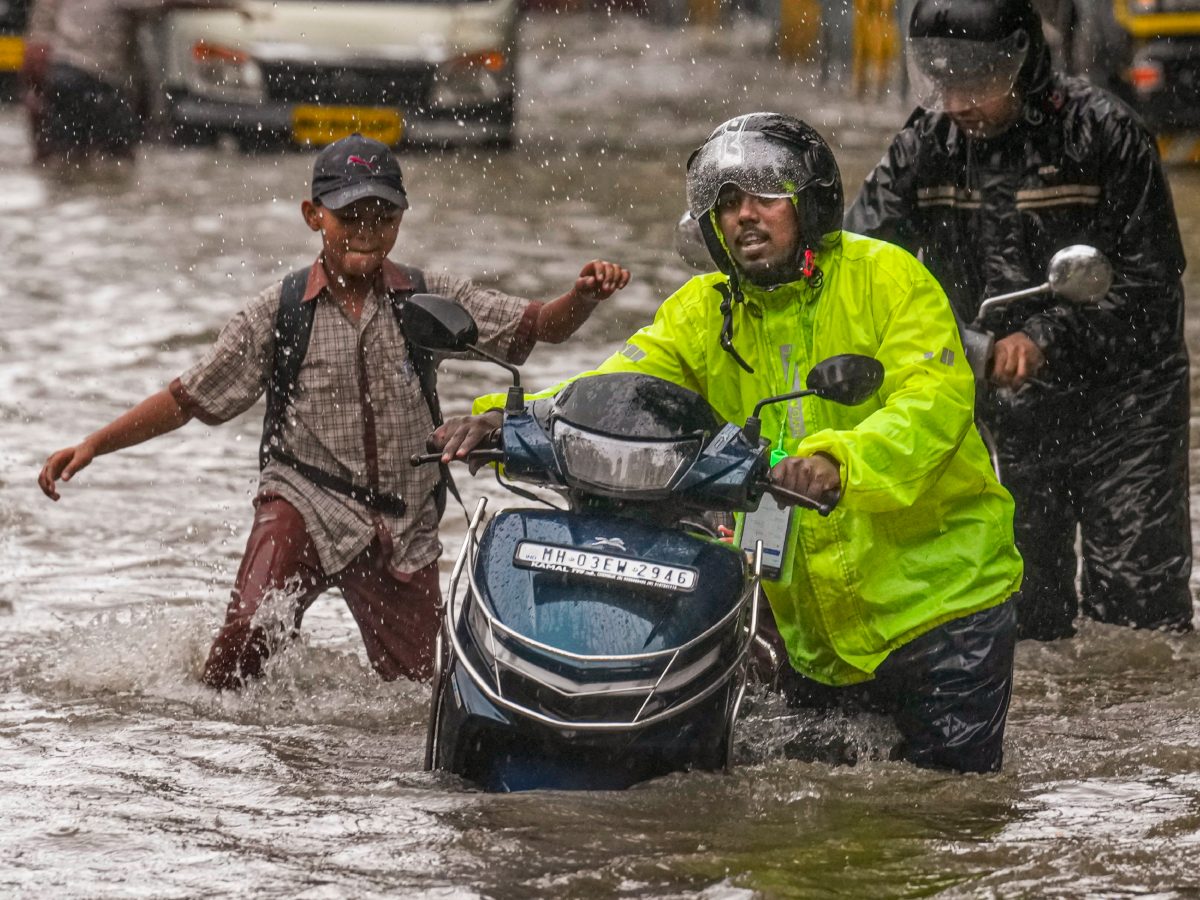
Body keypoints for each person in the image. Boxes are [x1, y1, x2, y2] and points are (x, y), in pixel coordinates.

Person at [432, 113, 1024, 774]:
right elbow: (615, 391)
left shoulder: (889, 278)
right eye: (727, 202)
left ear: (809, 203)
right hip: (815, 630)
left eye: (765, 197)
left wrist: (836, 463)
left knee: (948, 821)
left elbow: (931, 404)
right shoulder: (700, 311)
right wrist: (503, 421)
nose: (745, 215)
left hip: (941, 614)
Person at [37, 133, 631, 689]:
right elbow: (189, 397)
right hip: (304, 499)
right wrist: (95, 443)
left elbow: (534, 329)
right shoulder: (279, 312)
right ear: (313, 216)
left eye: (383, 218)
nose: (367, 233)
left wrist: (580, 298)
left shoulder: (427, 297)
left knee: (423, 691)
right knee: (240, 649)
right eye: (350, 218)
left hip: (399, 522)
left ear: (401, 219)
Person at [845, 0, 1193, 641]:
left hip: (1128, 406)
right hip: (1013, 412)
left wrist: (1044, 337)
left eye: (976, 80)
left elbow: (1150, 282)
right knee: (1027, 613)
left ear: (1024, 62)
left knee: (1140, 618)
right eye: (941, 80)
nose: (957, 101)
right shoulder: (926, 143)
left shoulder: (1107, 133)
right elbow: (860, 262)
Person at [21, 0, 240, 166]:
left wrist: (38, 93)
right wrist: (227, 5)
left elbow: (35, 50)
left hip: (61, 77)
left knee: (60, 164)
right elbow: (170, 2)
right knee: (118, 165)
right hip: (98, 82)